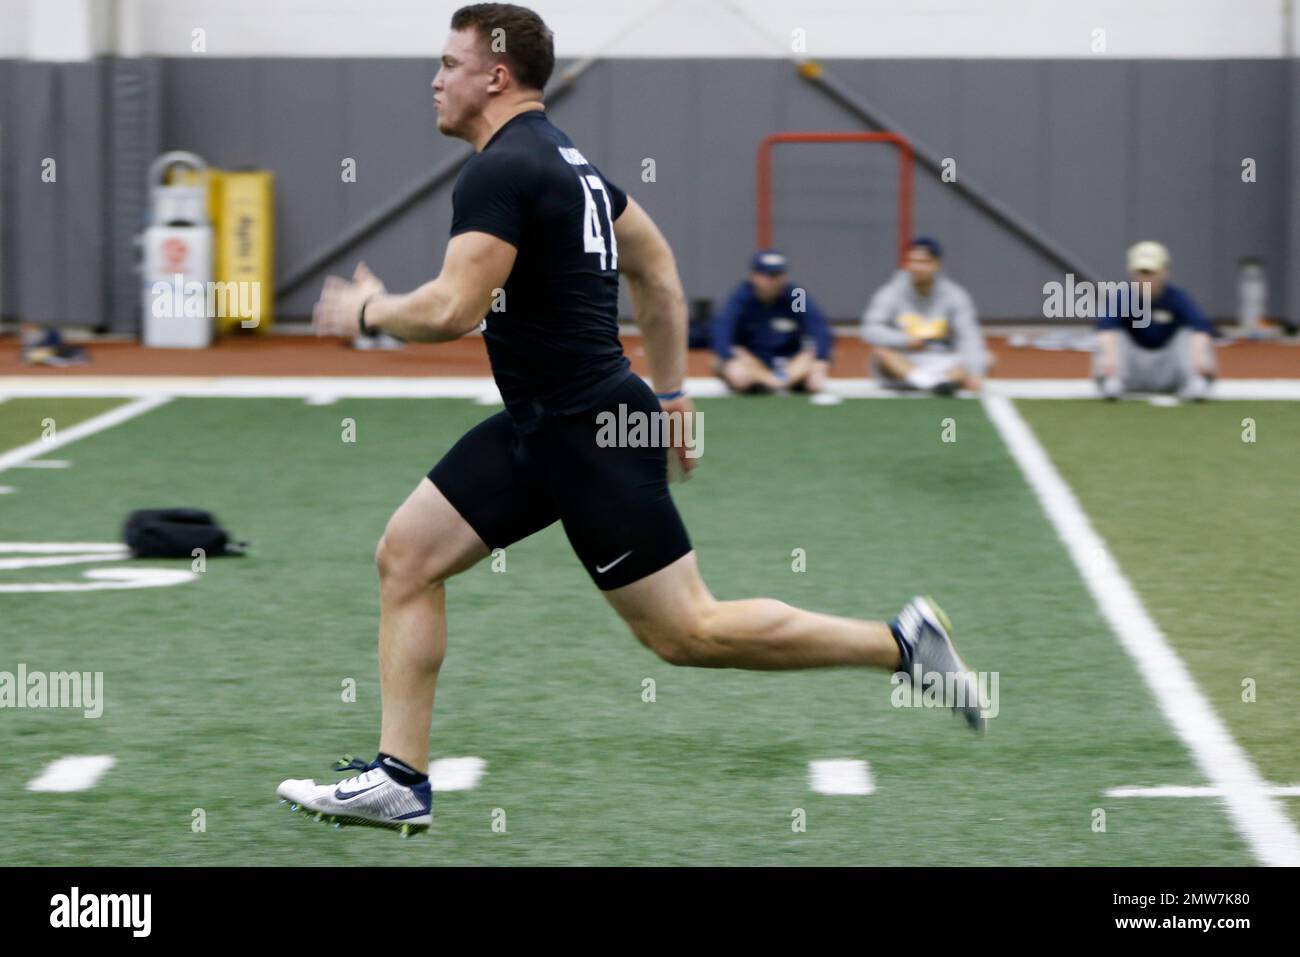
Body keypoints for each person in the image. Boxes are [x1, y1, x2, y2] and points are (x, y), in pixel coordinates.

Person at [279, 3, 985, 835]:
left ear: (495, 75)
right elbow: (657, 269)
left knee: (689, 633)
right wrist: (676, 394)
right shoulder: (573, 164)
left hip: (587, 434)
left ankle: (904, 644)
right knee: (406, 555)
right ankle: (401, 777)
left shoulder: (500, 170)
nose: (434, 80)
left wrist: (368, 310)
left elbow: (453, 307)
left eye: (448, 62)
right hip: (545, 427)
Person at [861, 237, 988, 394]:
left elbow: (969, 336)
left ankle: (941, 381)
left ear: (937, 265)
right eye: (912, 261)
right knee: (881, 354)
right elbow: (869, 329)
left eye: (923, 262)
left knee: (987, 359)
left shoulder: (955, 295)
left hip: (943, 359)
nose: (916, 267)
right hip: (906, 360)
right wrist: (906, 340)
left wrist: (976, 373)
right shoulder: (891, 292)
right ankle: (931, 383)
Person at [1094, 241, 1215, 400]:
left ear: (1164, 272)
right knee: (1111, 336)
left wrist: (1200, 360)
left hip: (1169, 371)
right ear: (1131, 272)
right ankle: (1111, 382)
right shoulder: (1122, 298)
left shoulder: (1178, 298)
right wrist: (1109, 361)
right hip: (1131, 371)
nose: (1145, 278)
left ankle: (1196, 381)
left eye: (1151, 272)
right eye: (1141, 272)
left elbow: (1200, 329)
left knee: (1189, 333)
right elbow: (1106, 330)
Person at [711, 250, 832, 394]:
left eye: (779, 275)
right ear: (754, 276)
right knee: (735, 371)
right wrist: (728, 357)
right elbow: (722, 329)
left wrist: (821, 359)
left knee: (816, 375)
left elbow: (818, 326)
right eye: (769, 276)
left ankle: (781, 382)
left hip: (790, 364)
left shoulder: (795, 297)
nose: (775, 281)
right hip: (755, 364)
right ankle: (772, 383)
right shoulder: (742, 298)